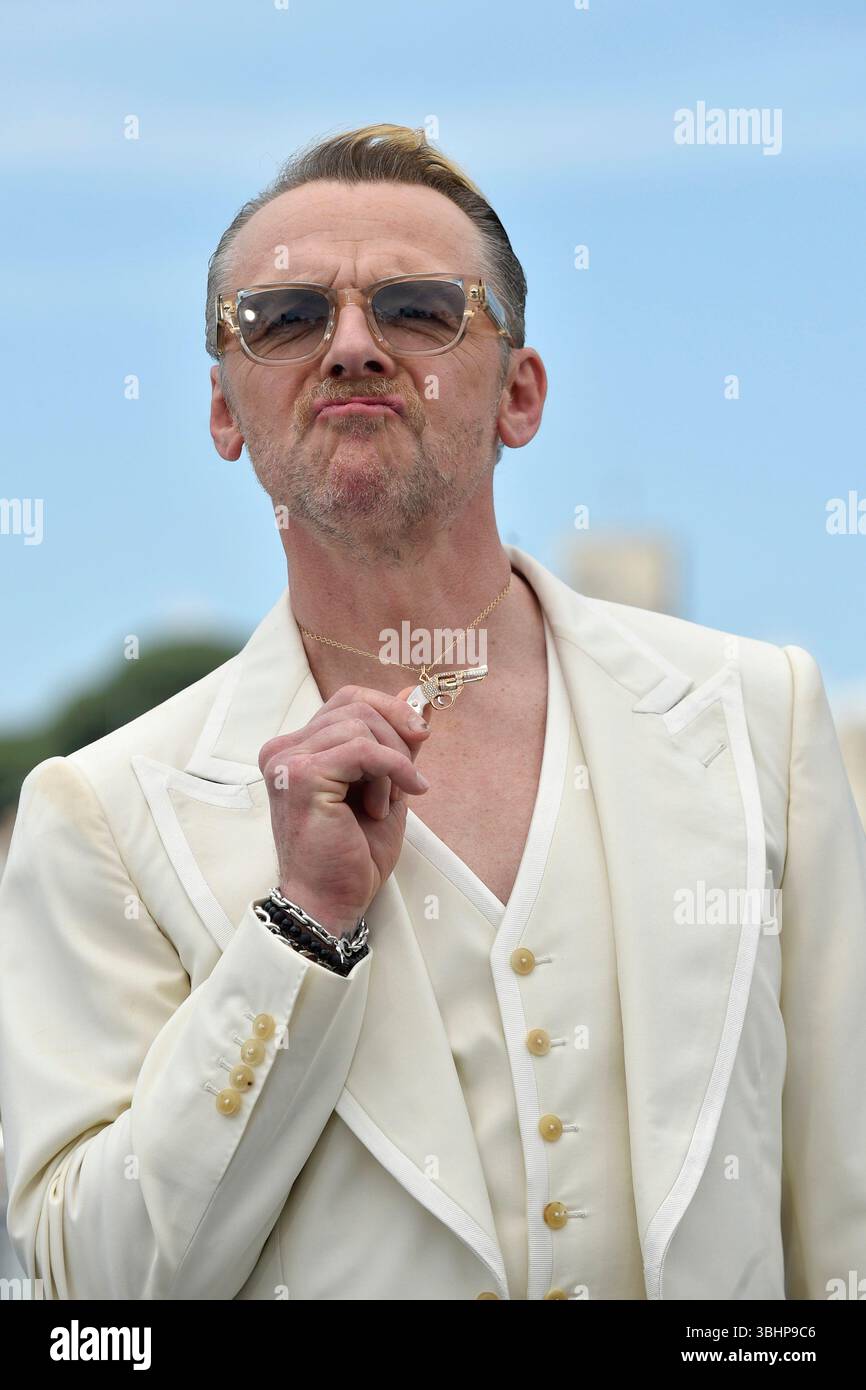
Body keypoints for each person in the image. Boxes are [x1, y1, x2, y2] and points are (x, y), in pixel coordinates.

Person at [0, 123, 864, 1302]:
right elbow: (79, 1295)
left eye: (416, 310)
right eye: (285, 318)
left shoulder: (756, 717)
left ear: (520, 394)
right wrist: (298, 933)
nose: (351, 345)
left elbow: (842, 1224)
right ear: (221, 410)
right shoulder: (101, 813)